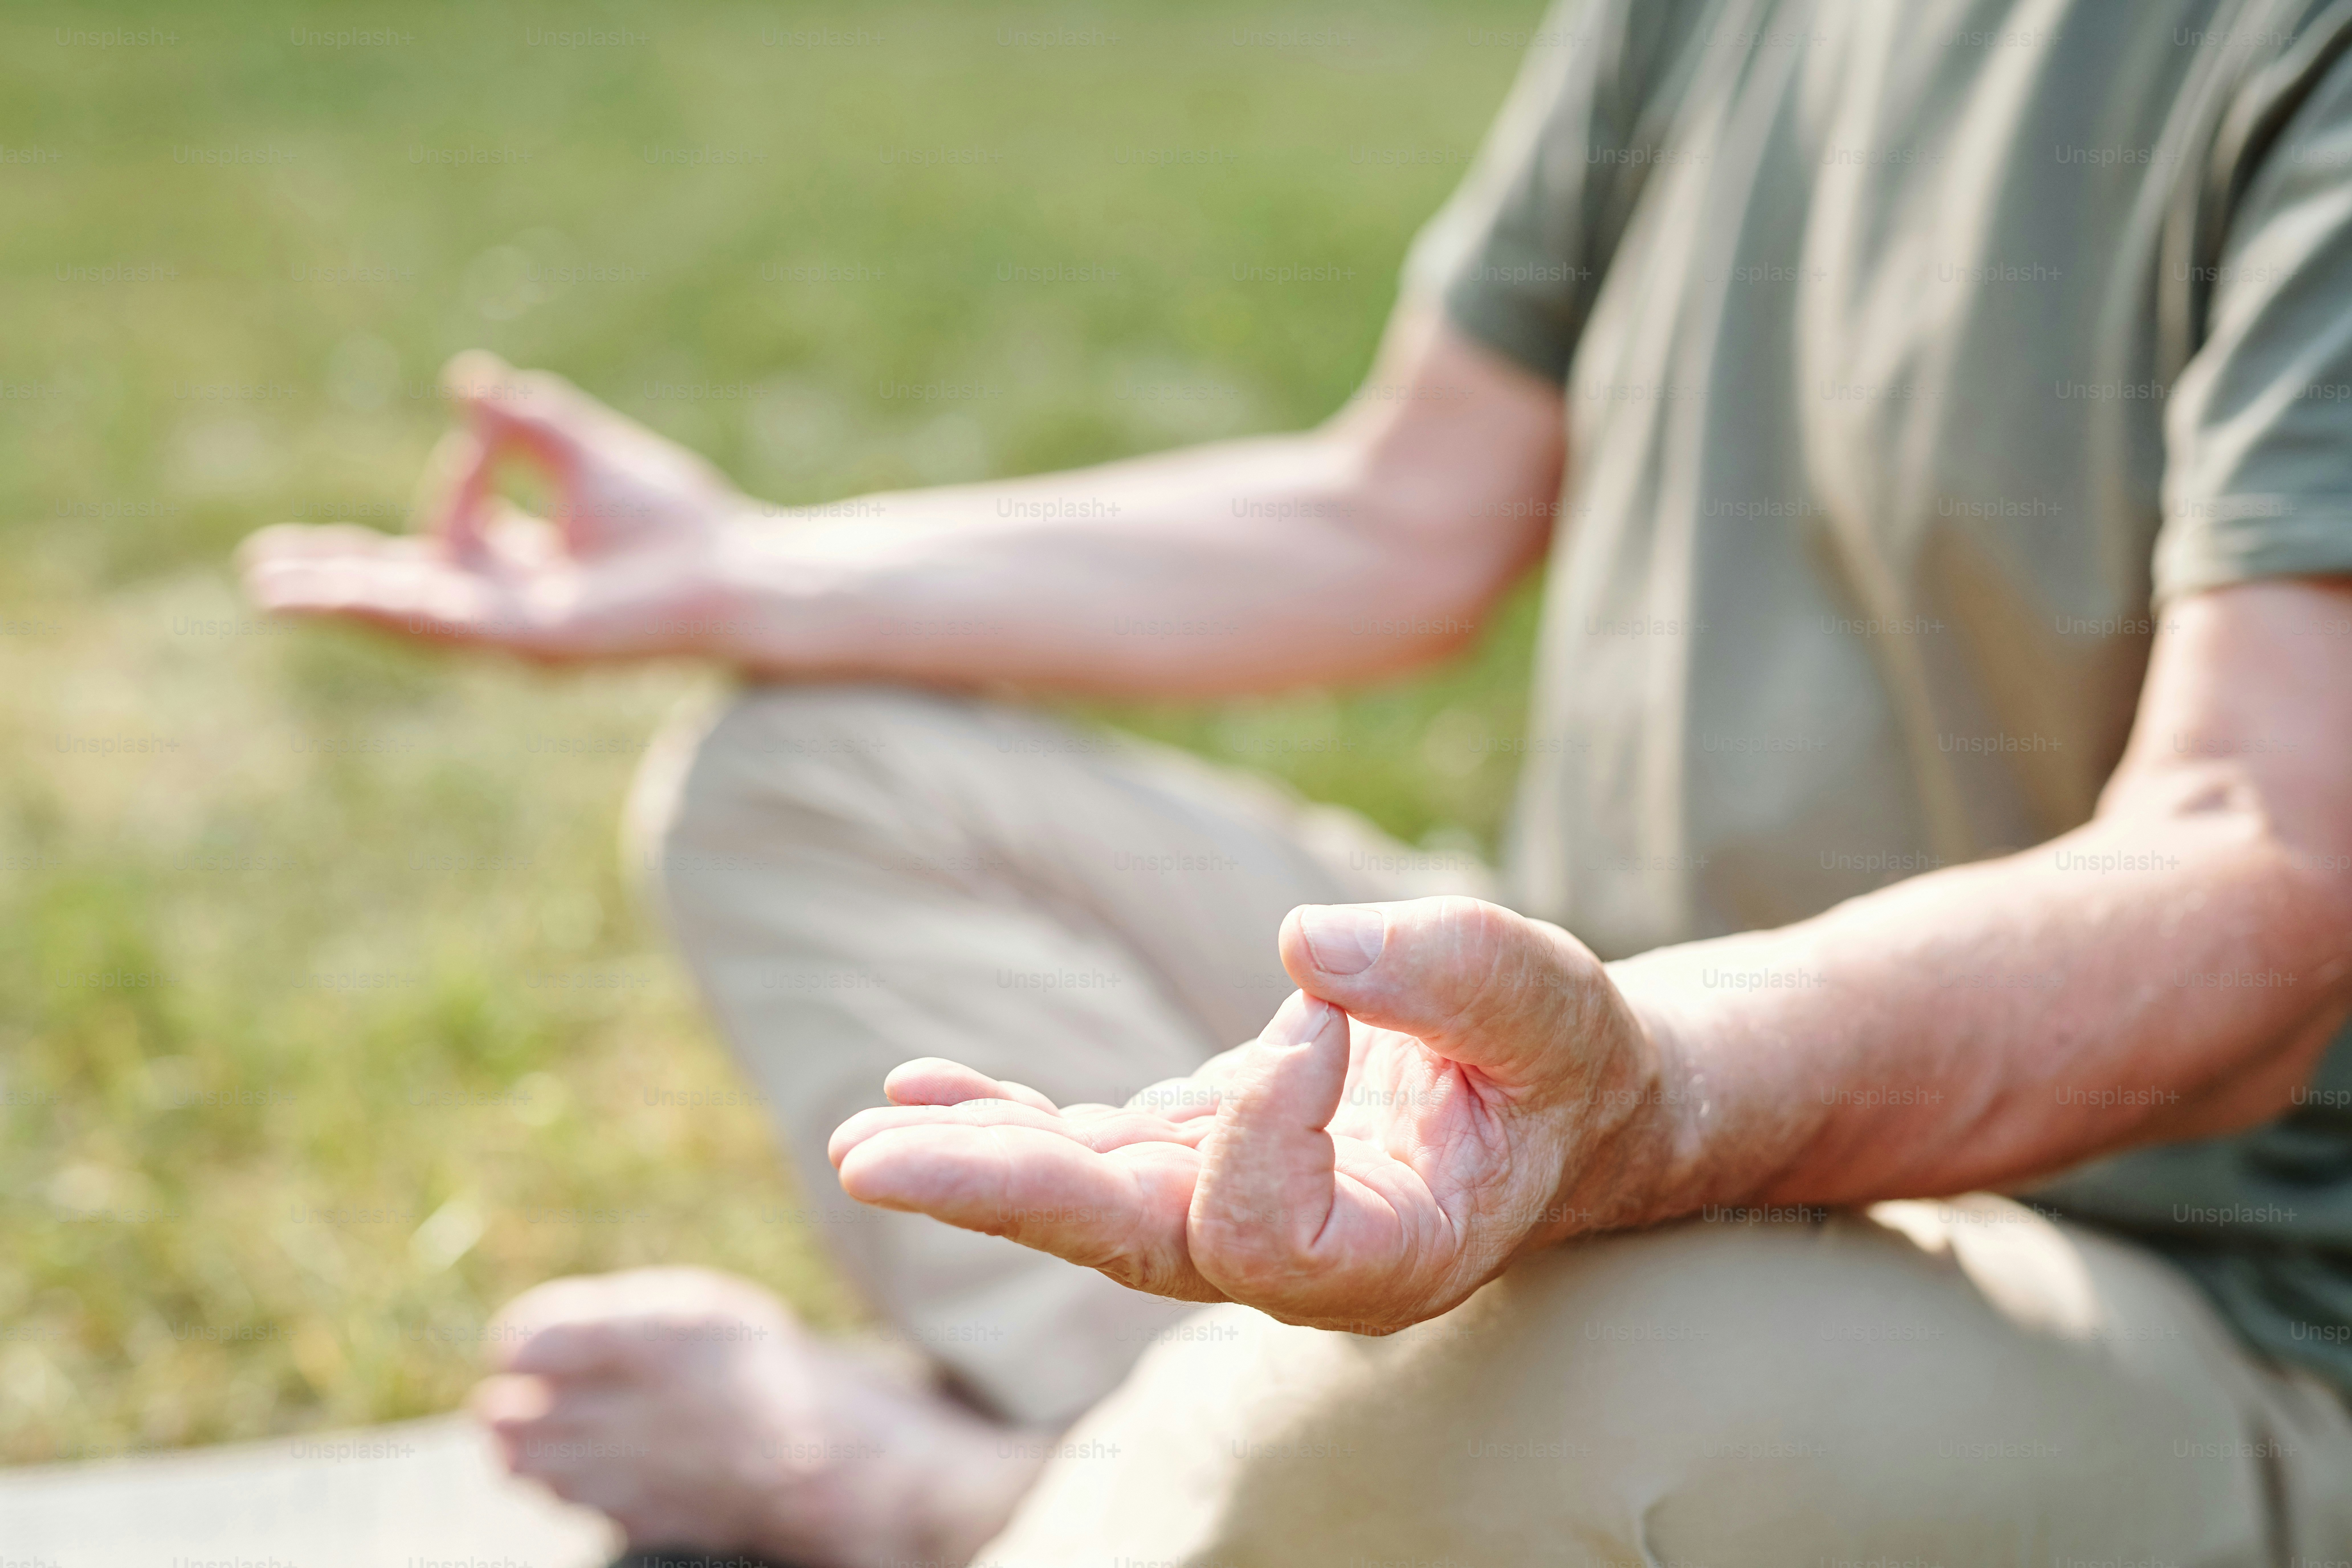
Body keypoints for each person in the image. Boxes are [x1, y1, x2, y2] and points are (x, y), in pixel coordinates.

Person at [242, 1, 2352, 1561]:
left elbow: (2258, 872)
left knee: (1519, 1373)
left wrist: (1649, 1107)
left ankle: (986, 1500)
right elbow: (1397, 509)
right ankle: (1218, 1472)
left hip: (2170, 1294)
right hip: (1596, 1065)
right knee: (805, 782)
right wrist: (747, 574)